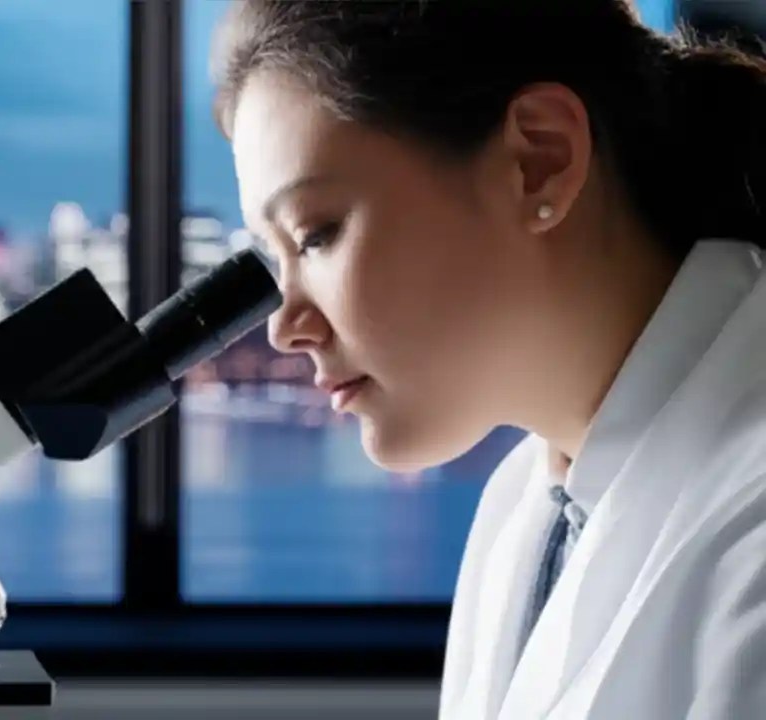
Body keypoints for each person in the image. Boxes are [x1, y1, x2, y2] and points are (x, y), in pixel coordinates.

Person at [210, 1, 766, 718]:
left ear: (540, 161)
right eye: (275, 257)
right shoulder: (522, 509)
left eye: (316, 234)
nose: (286, 327)